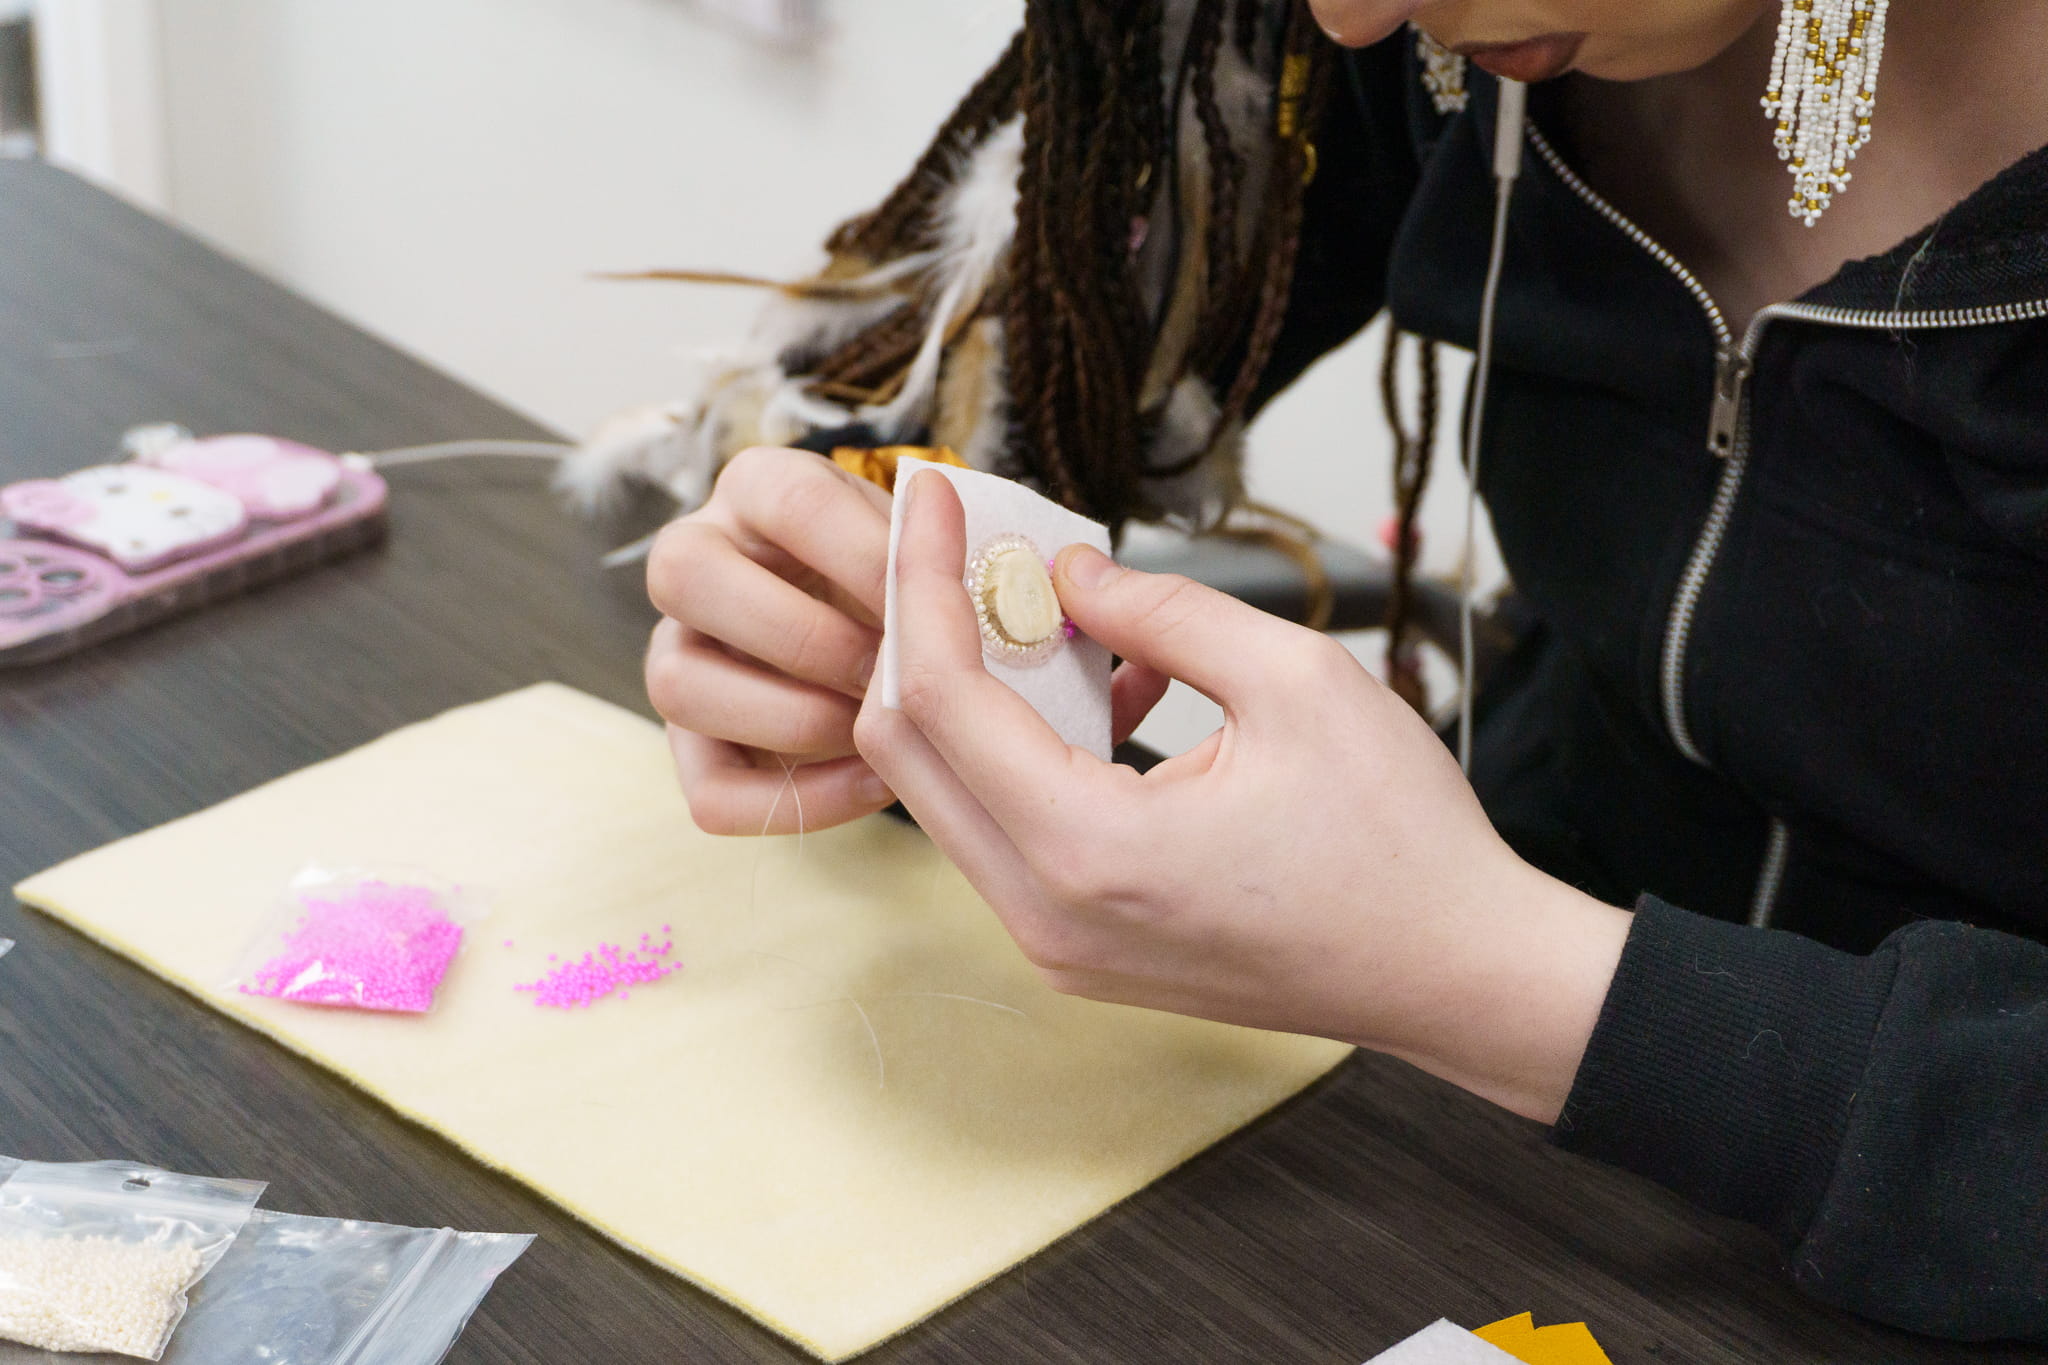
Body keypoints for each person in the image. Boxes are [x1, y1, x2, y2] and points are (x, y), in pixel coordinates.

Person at [634, 0, 2048, 1342]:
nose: (1356, 20)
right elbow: (992, 363)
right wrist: (822, 579)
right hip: (1481, 1159)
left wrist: (1500, 976)